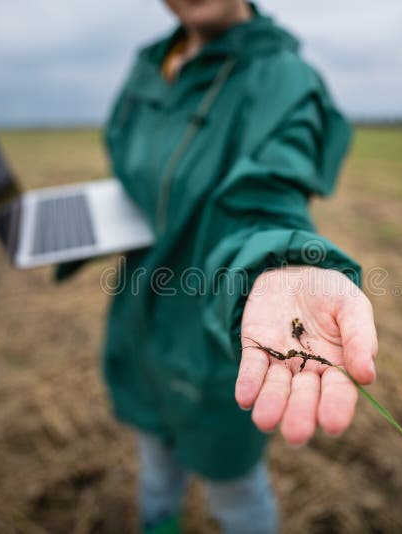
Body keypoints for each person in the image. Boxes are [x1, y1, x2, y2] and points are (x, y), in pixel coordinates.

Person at [57, 1, 378, 532]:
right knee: (156, 471)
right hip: (139, 314)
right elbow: (139, 178)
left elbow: (266, 197)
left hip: (214, 332)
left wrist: (282, 262)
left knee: (235, 489)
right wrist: (79, 223)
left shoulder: (282, 78)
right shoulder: (149, 67)